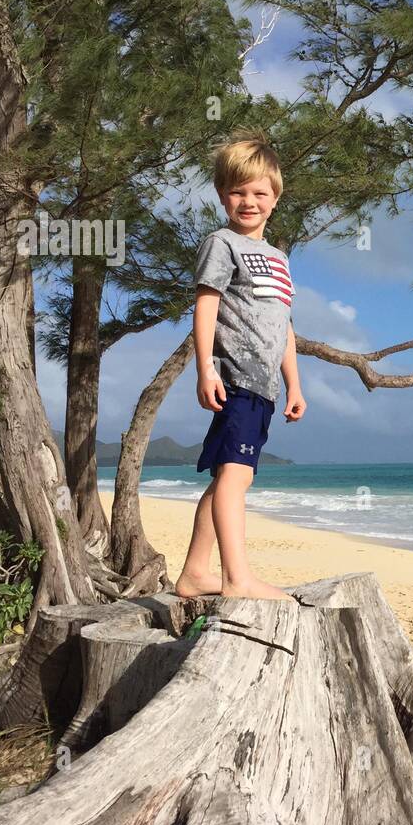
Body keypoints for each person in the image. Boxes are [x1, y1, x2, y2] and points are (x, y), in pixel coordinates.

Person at [174, 133, 306, 600]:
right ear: (221, 194)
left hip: (265, 385)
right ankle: (236, 578)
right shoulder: (221, 243)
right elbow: (205, 305)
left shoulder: (279, 258)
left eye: (258, 193)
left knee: (229, 475)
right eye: (237, 191)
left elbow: (283, 325)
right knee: (236, 475)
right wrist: (205, 367)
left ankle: (194, 573)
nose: (248, 201)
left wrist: (294, 384)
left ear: (275, 198)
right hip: (236, 375)